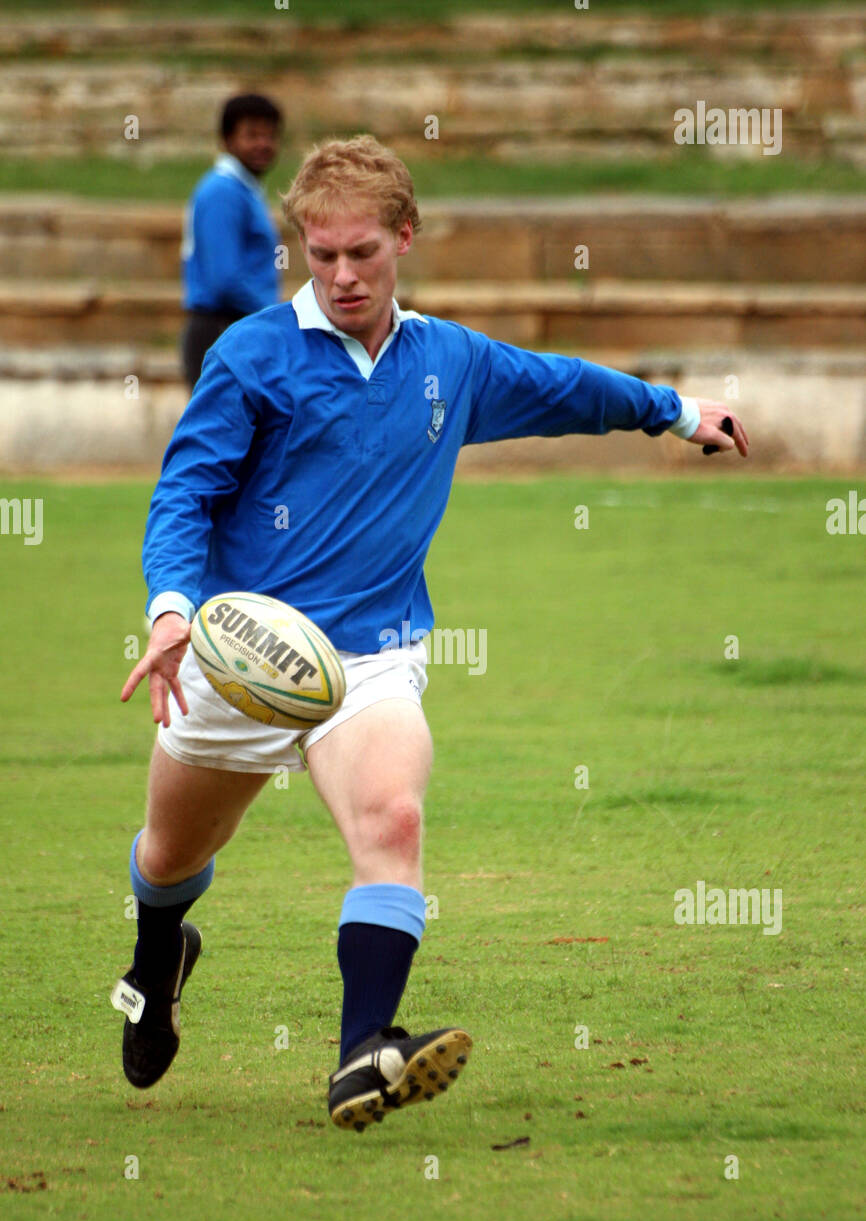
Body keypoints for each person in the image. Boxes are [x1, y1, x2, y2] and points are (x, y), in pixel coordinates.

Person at [115, 134, 749, 1133]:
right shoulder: (250, 357)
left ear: (404, 237)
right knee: (167, 857)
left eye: (362, 252)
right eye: (320, 256)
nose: (341, 275)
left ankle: (363, 1050)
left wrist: (672, 411)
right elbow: (183, 497)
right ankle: (157, 967)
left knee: (392, 821)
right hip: (236, 658)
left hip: (369, 657)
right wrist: (169, 610)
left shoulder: (445, 360)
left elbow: (560, 389)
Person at [180, 93, 283, 389]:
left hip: (237, 329)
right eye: (252, 134)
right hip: (221, 330)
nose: (263, 144)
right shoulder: (222, 193)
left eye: (270, 135)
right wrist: (276, 317)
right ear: (226, 140)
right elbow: (224, 280)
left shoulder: (244, 191)